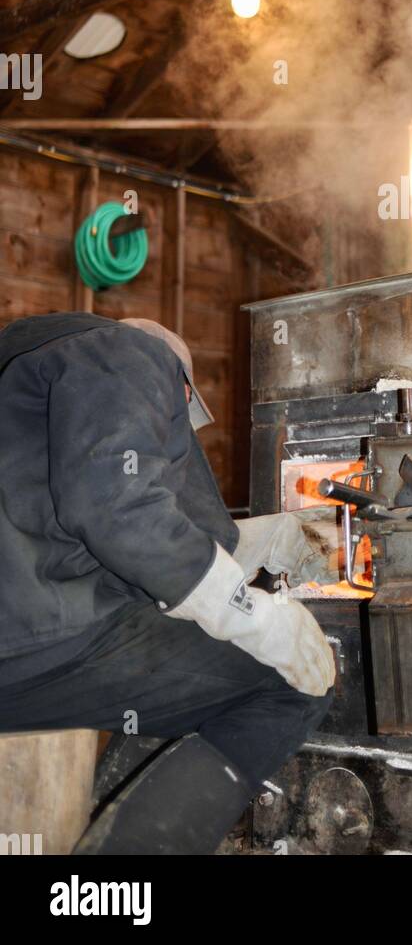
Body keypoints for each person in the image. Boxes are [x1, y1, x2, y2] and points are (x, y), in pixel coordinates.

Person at [0, 310, 336, 855]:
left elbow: (90, 528)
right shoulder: (129, 352)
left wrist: (259, 542)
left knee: (170, 672)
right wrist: (253, 615)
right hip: (33, 648)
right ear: (181, 388)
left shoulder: (26, 368)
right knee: (289, 685)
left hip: (20, 640)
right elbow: (117, 509)